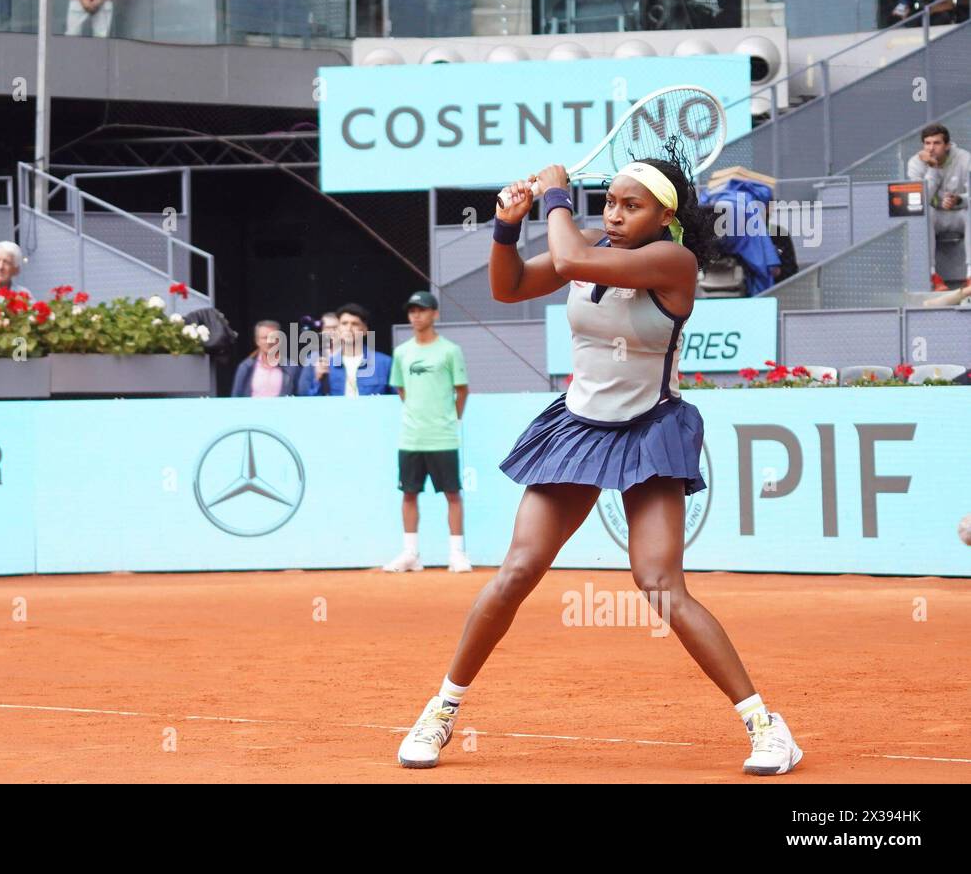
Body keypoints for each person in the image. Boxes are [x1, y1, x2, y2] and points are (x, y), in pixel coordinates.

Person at [394, 154, 804, 777]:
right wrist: (507, 226)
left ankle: (767, 728)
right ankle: (442, 710)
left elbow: (571, 262)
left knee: (659, 584)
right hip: (579, 429)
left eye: (630, 205)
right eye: (608, 200)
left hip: (650, 432)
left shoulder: (674, 261)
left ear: (665, 215)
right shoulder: (587, 247)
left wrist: (555, 194)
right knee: (518, 570)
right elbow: (508, 288)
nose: (613, 213)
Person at [383, 291, 471, 574]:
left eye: (422, 310)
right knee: (408, 494)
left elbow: (461, 390)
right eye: (412, 311)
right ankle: (410, 554)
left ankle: (457, 554)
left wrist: (450, 419)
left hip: (443, 436)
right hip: (411, 437)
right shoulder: (401, 352)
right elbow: (401, 389)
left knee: (452, 494)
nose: (416, 316)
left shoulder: (450, 350)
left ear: (435, 314)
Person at [906, 123, 971, 289]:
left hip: (960, 213)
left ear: (947, 145)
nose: (931, 148)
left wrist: (959, 200)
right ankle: (932, 276)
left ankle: (970, 276)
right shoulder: (915, 163)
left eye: (936, 143)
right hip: (935, 215)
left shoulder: (965, 158)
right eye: (927, 143)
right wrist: (932, 168)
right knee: (920, 211)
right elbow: (920, 198)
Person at [297, 303, 393, 396]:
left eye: (355, 324)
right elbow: (314, 405)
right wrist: (318, 379)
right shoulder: (327, 365)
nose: (349, 328)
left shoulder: (385, 363)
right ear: (338, 329)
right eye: (344, 323)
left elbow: (398, 401)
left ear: (365, 330)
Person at [230, 320, 303, 397]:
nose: (269, 341)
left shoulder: (292, 368)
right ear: (257, 341)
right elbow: (236, 398)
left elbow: (300, 398)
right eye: (265, 338)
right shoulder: (246, 367)